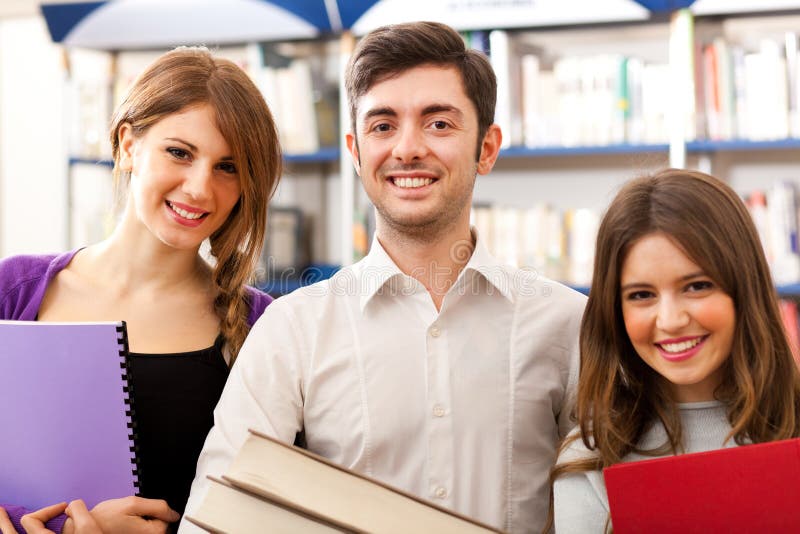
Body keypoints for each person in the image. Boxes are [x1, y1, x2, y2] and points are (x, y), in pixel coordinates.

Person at [181, 21, 586, 534]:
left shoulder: (568, 324)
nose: (408, 148)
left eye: (439, 124)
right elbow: (215, 517)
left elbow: (603, 507)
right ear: (354, 150)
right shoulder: (294, 329)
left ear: (486, 148)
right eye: (383, 125)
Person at [0, 46, 282, 533]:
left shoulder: (264, 326)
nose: (199, 188)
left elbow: (271, 514)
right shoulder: (14, 292)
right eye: (179, 152)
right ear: (129, 144)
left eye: (228, 167)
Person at [549, 169, 800, 533]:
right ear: (615, 310)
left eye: (696, 286)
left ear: (743, 289)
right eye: (641, 295)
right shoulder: (591, 459)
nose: (669, 320)